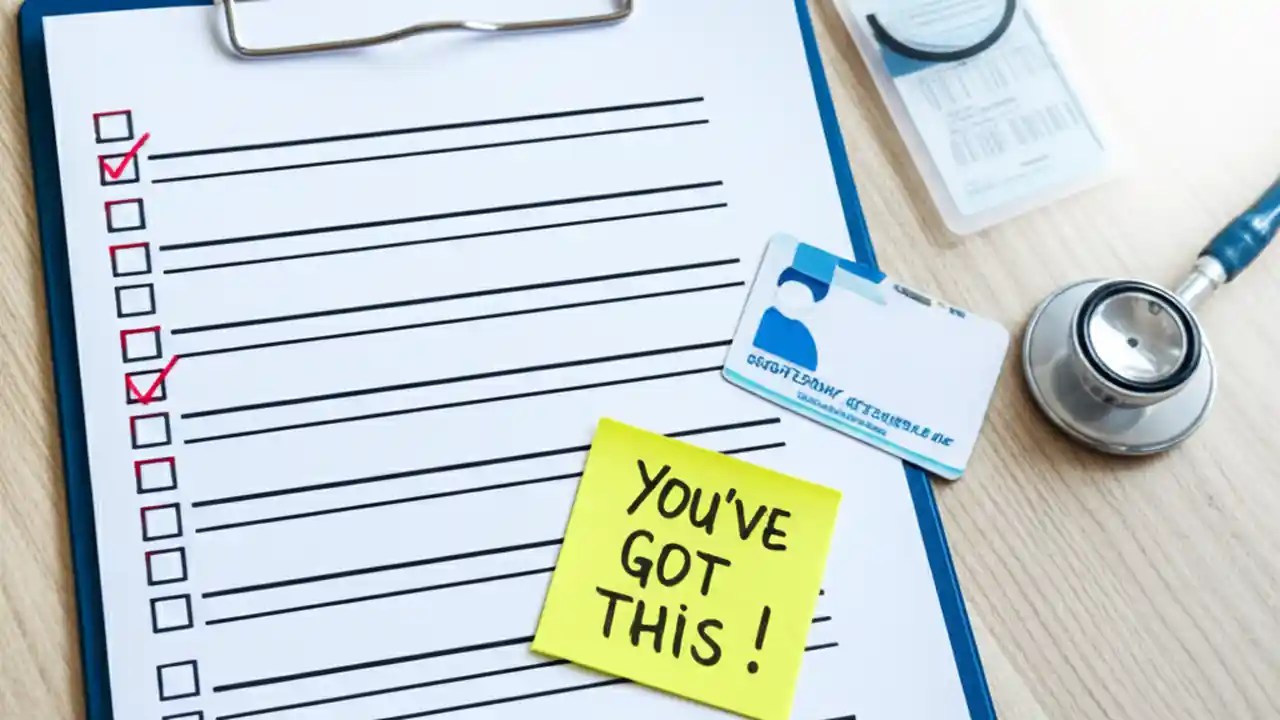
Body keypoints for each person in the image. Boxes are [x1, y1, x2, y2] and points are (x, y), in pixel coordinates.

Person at [752, 267, 829, 372]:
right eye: (792, 291)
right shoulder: (767, 316)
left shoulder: (803, 337)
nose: (795, 300)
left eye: (802, 297)